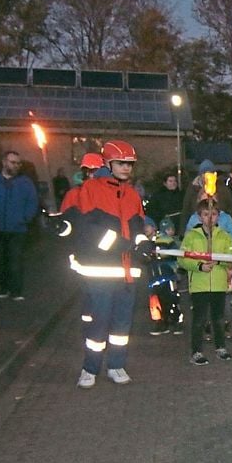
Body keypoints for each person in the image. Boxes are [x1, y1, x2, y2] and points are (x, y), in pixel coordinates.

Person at [62, 140, 148, 388]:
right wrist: (121, 244)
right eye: (121, 163)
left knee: (122, 326)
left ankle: (116, 365)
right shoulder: (91, 189)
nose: (126, 168)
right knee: (98, 323)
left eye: (130, 164)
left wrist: (143, 243)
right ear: (108, 164)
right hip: (100, 272)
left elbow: (137, 226)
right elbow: (89, 230)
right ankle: (90, 368)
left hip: (127, 272)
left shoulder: (132, 194)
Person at [179, 198, 232, 366]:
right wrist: (199, 266)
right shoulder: (191, 236)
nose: (210, 218)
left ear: (218, 216)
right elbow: (183, 259)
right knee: (199, 320)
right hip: (199, 285)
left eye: (213, 214)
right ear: (199, 217)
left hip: (218, 284)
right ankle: (196, 350)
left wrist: (219, 262)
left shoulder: (225, 236)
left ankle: (221, 347)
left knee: (219, 318)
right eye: (206, 214)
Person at [0, 150, 39, 301]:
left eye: (18, 163)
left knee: (15, 261)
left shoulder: (25, 183)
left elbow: (32, 202)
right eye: (13, 162)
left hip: (17, 230)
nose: (16, 166)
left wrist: (25, 218)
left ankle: (16, 291)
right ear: (4, 162)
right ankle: (4, 288)